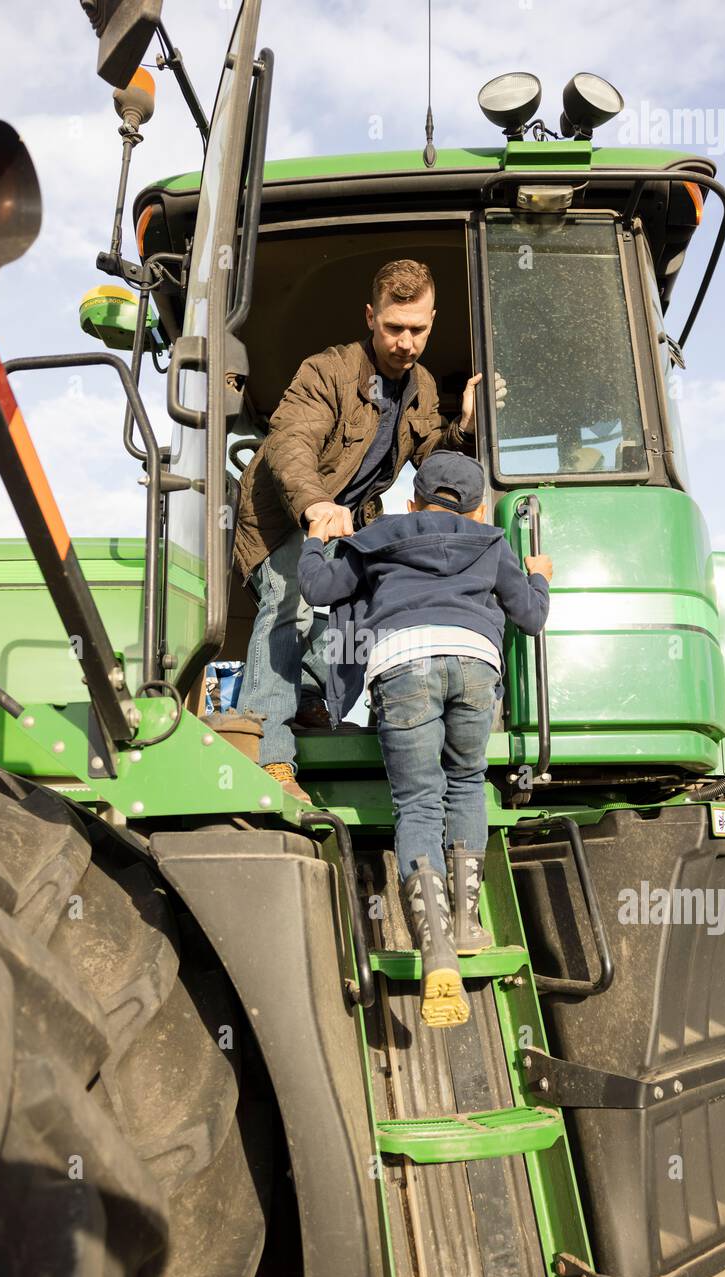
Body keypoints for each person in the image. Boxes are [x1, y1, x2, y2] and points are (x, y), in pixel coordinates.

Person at [298, 451, 552, 1028]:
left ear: (413, 502)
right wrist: (538, 574)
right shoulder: (491, 543)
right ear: (478, 506)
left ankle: (435, 950)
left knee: (417, 800)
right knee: (464, 784)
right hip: (474, 664)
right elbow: (531, 617)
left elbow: (318, 588)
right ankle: (466, 925)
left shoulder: (381, 535)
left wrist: (317, 535)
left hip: (402, 662)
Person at [232, 258, 488, 802]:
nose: (405, 342)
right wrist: (317, 504)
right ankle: (267, 754)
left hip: (346, 528)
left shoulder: (419, 386)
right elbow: (290, 444)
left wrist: (463, 426)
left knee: (377, 616)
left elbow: (433, 463)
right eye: (394, 328)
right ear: (371, 317)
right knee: (291, 602)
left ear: (432, 320)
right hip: (281, 515)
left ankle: (305, 694)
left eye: (417, 329)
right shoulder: (328, 371)